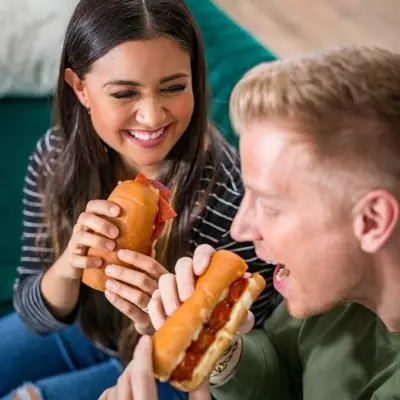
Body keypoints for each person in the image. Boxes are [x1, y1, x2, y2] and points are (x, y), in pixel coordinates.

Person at [0, 1, 277, 399]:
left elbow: (245, 357)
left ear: (195, 82)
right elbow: (35, 315)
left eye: (173, 87)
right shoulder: (55, 157)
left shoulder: (233, 194)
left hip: (170, 366)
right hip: (85, 329)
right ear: (80, 88)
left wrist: (169, 313)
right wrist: (71, 262)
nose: (151, 116)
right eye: (124, 93)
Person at [105, 44, 400, 399]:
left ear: (372, 221)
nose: (239, 229)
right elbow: (283, 372)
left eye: (269, 204)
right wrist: (221, 350)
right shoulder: (328, 288)